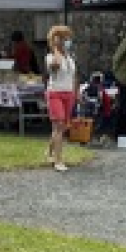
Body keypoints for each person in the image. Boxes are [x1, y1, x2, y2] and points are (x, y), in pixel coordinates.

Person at [44, 25, 79, 171]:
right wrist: (56, 49)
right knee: (58, 125)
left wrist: (76, 93)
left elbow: (74, 76)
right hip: (55, 93)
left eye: (67, 38)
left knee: (62, 126)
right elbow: (55, 67)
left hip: (68, 93)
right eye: (63, 38)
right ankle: (58, 160)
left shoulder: (70, 59)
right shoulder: (50, 57)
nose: (67, 41)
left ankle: (49, 151)